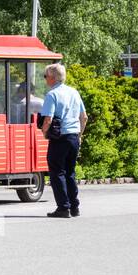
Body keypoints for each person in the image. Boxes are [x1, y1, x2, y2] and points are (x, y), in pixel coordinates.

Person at [38, 62, 87, 218]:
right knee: (70, 173)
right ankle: (74, 207)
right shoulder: (74, 92)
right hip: (74, 137)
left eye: (46, 76)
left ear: (52, 78)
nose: (45, 80)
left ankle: (63, 207)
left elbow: (48, 119)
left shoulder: (52, 95)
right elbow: (84, 117)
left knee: (57, 172)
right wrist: (79, 136)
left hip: (59, 138)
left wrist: (45, 133)